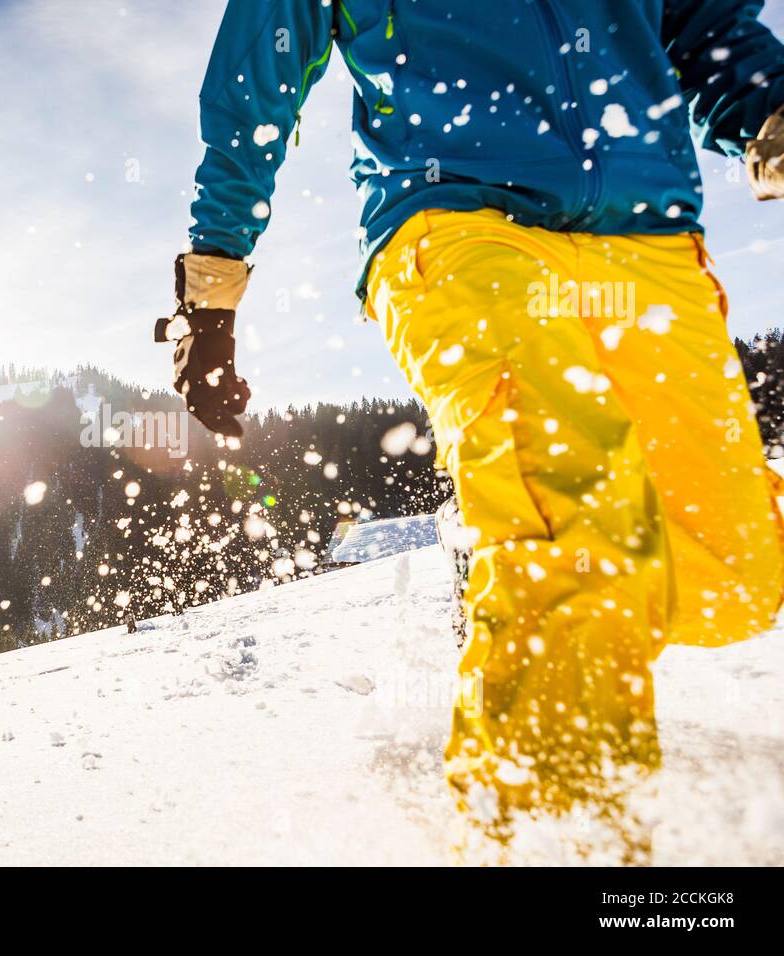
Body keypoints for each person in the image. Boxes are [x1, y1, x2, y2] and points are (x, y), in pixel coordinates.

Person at [159, 0, 784, 850]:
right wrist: (214, 281)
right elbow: (256, 70)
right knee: (578, 534)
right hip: (455, 215)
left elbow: (700, 21)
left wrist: (769, 101)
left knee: (732, 576)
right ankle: (551, 834)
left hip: (645, 231)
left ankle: (510, 547)